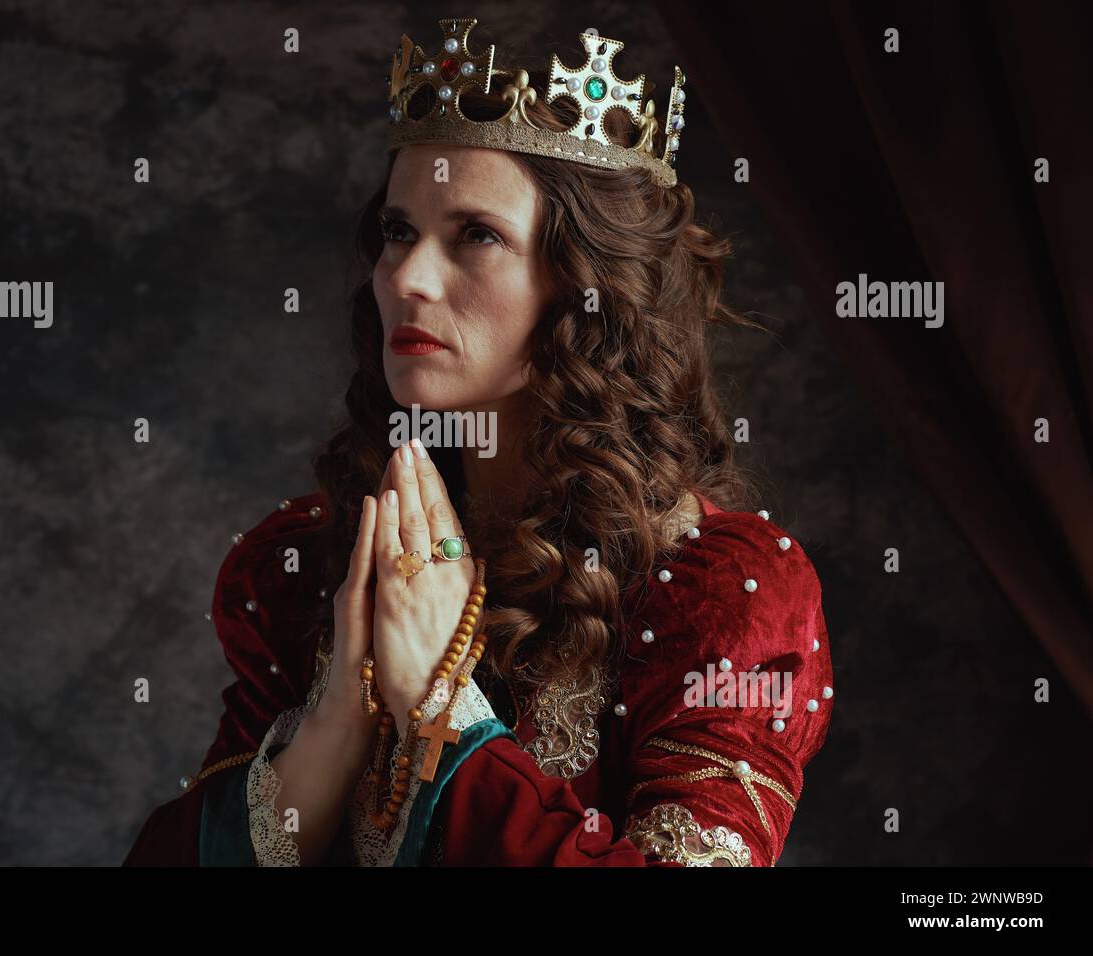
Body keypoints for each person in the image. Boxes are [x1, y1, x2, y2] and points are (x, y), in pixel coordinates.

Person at [124, 17, 833, 867]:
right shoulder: (318, 562)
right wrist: (333, 726)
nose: (408, 278)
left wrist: (438, 708)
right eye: (397, 231)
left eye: (476, 236)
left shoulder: (720, 597)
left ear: (583, 285)